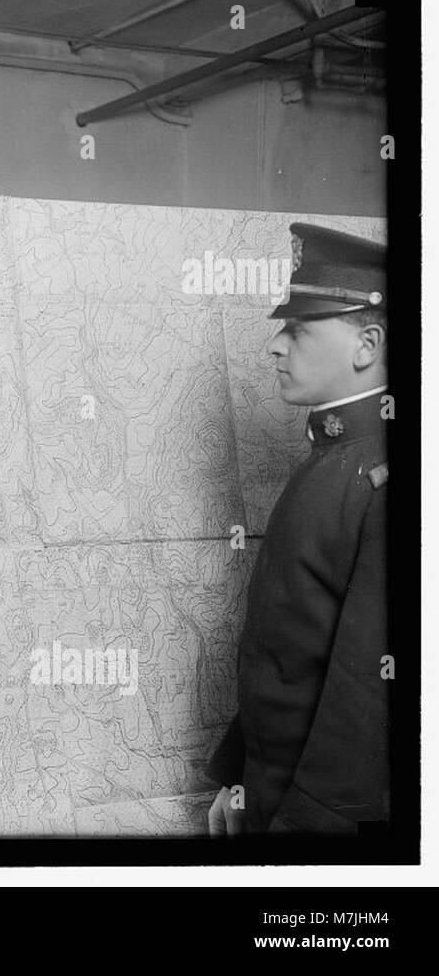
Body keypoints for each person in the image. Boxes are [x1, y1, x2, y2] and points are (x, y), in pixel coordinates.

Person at [207, 223, 389, 835]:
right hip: (271, 797)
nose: (274, 346)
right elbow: (286, 646)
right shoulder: (335, 458)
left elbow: (366, 691)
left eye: (299, 330)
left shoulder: (382, 477)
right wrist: (239, 779)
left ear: (367, 344)